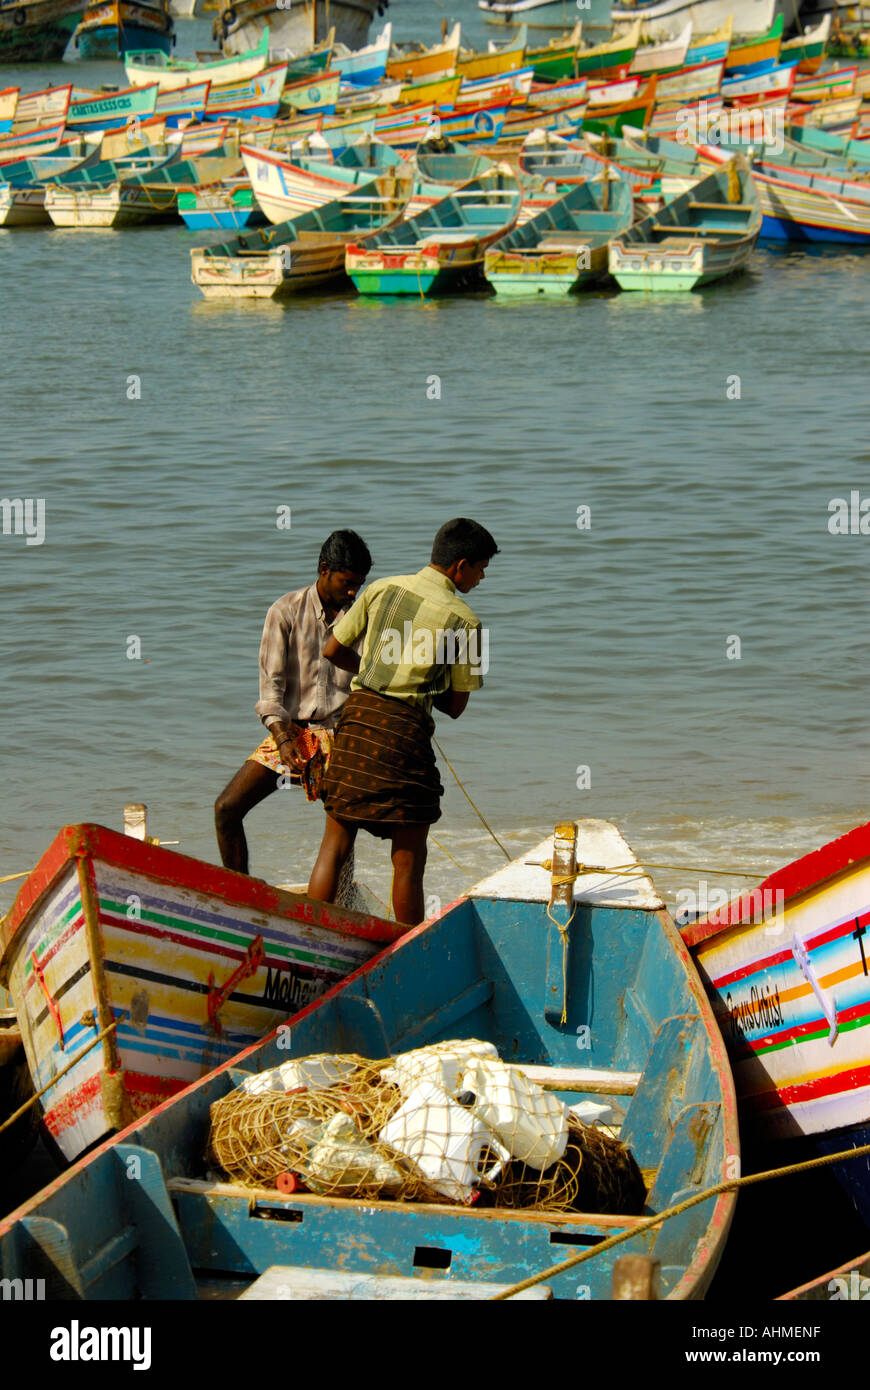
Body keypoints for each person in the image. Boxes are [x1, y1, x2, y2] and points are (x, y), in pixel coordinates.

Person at [308, 518, 498, 926]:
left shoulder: (380, 589)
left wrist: (378, 671)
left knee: (335, 844)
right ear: (460, 566)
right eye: (481, 568)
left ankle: (309, 932)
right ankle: (405, 947)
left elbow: (331, 648)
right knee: (409, 857)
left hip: (357, 721)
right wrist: (420, 681)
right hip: (403, 735)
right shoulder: (468, 623)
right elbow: (455, 706)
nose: (482, 578)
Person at [215, 530, 372, 874]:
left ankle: (341, 908)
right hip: (293, 733)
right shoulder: (285, 611)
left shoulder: (362, 617)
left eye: (358, 585)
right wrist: (283, 739)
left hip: (342, 735)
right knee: (227, 808)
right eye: (347, 582)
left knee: (340, 832)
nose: (352, 592)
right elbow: (270, 692)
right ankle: (243, 897)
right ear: (323, 569)